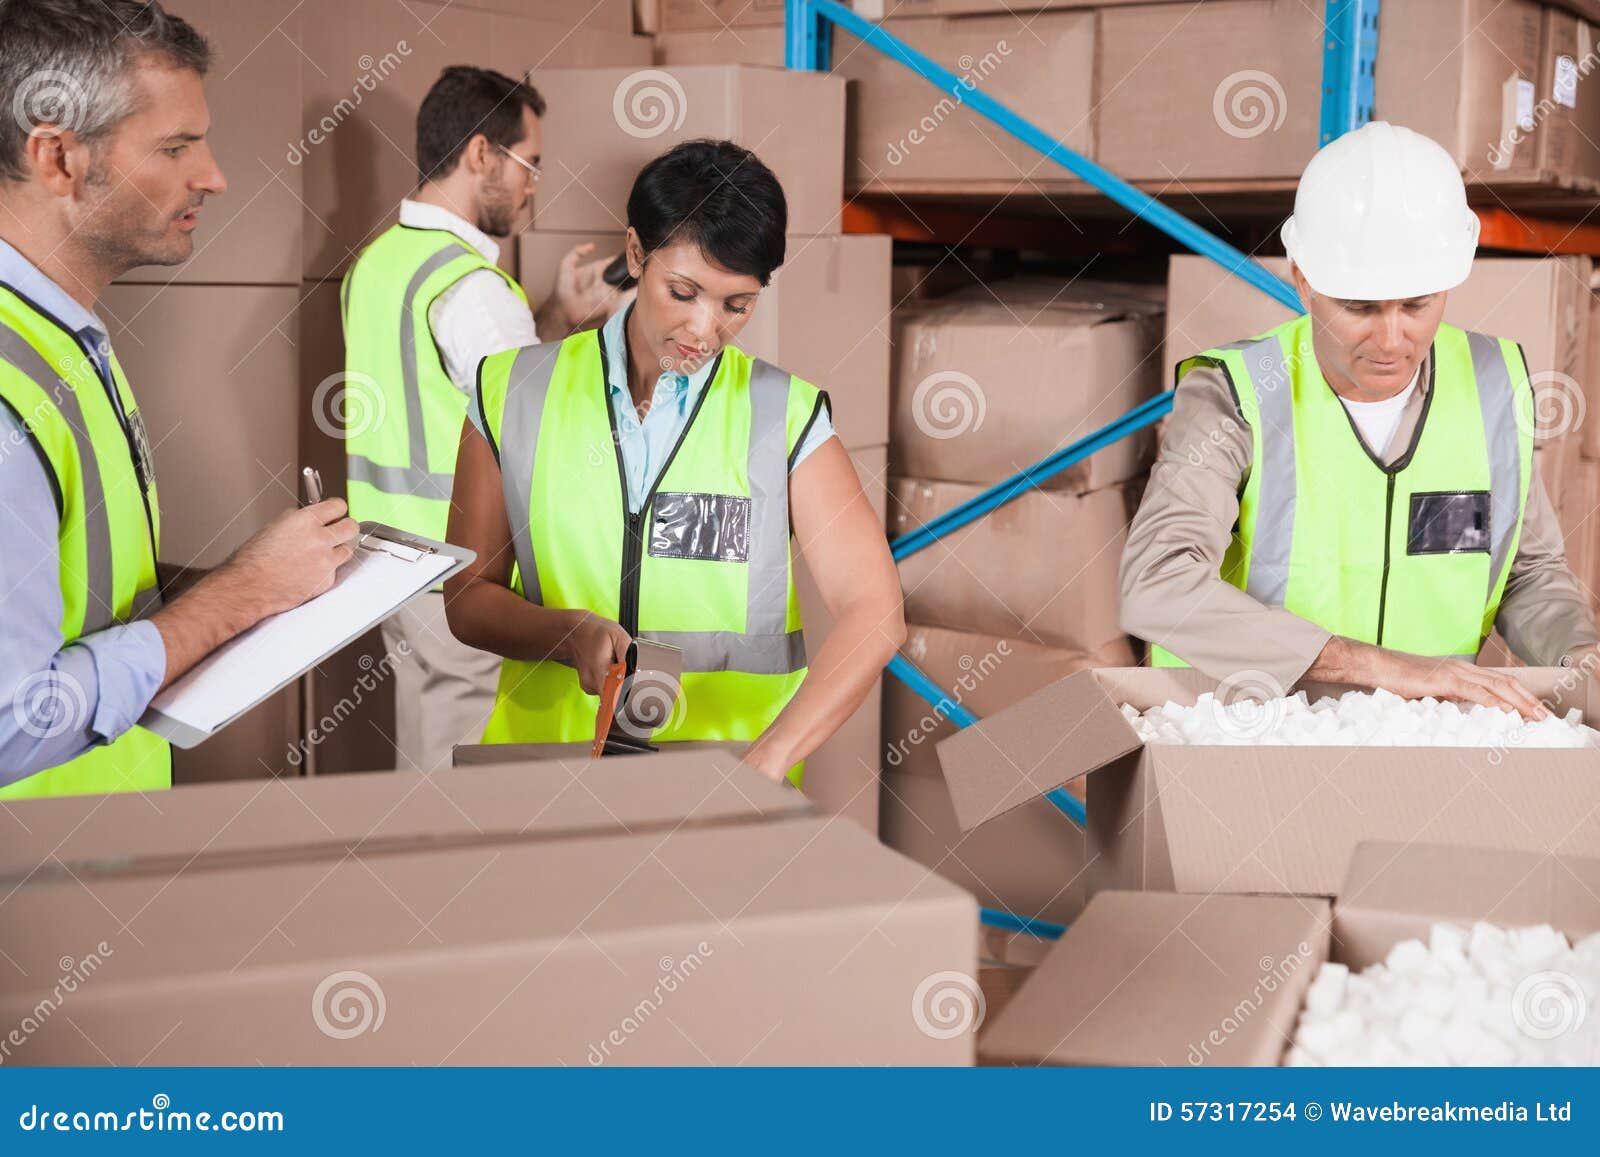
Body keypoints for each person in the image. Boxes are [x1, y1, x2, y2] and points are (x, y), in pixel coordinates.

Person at [444, 139, 905, 784]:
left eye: (736, 305)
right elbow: (466, 597)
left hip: (724, 788)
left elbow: (874, 612)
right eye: (683, 292)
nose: (704, 329)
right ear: (636, 254)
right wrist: (567, 632)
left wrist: (766, 763)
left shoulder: (785, 416)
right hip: (545, 774)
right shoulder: (511, 392)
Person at [0, 0, 358, 798]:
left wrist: (247, 580)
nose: (214, 175)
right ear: (57, 158)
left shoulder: (67, 339)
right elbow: (13, 719)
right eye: (176, 147)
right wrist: (242, 594)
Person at [1121, 121, 1598, 719]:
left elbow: (1527, 573)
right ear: (1303, 280)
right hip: (1253, 736)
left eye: (1418, 304)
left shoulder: (1493, 384)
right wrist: (1387, 669)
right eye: (1361, 307)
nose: (1394, 339)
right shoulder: (1237, 393)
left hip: (1426, 741)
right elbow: (1157, 583)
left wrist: (1581, 661)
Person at [341, 65, 629, 774]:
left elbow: (458, 387)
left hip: (386, 557)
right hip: (460, 564)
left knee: (427, 737)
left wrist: (557, 314)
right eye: (529, 163)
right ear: (480, 155)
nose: (534, 186)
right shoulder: (474, 287)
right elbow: (529, 427)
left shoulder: (378, 262)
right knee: (458, 768)